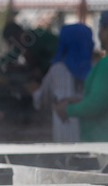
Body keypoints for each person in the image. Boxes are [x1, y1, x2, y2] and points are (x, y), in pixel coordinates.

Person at [30, 23, 93, 142]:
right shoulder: (96, 68)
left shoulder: (57, 70)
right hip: (93, 139)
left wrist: (33, 90)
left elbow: (41, 101)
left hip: (65, 138)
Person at [56, 12, 108, 142]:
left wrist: (66, 109)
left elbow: (94, 105)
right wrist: (79, 100)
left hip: (101, 141)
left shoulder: (105, 64)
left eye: (100, 28)